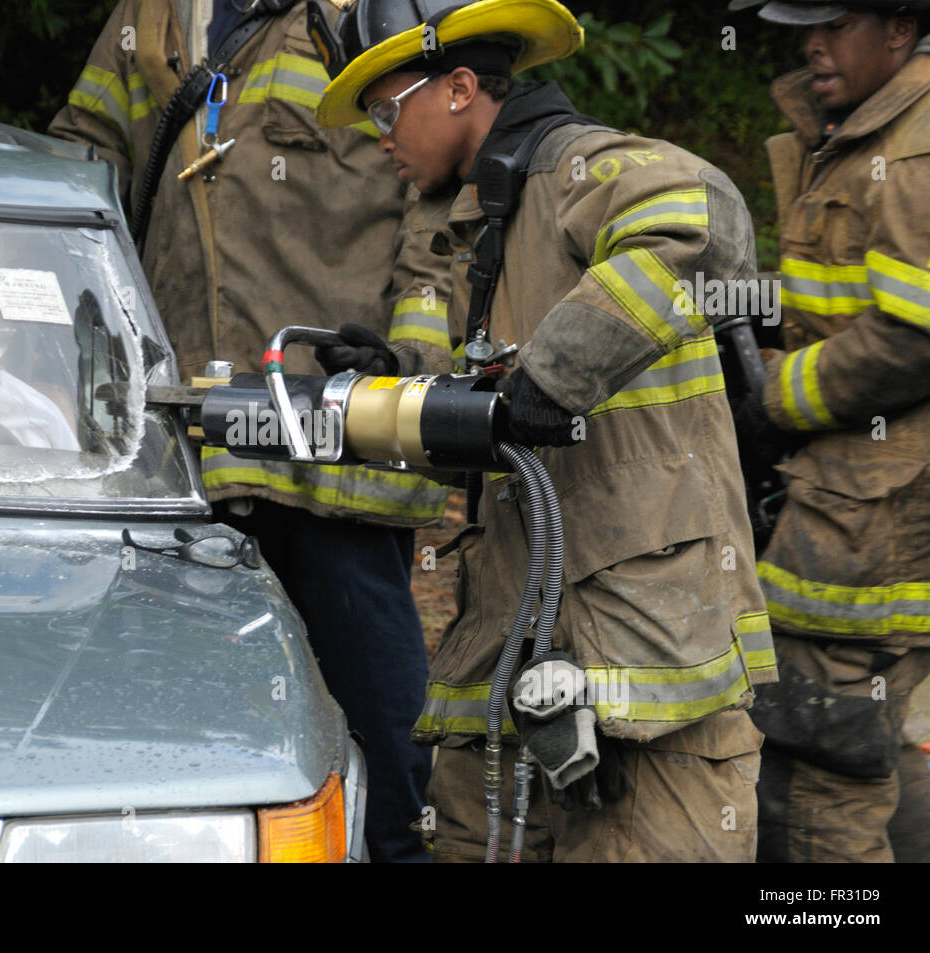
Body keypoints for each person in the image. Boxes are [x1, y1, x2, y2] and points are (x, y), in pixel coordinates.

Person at [317, 0, 778, 862]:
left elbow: (708, 222)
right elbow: (475, 368)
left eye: (386, 110)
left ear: (459, 88)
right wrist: (397, 372)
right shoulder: (476, 219)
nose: (378, 137)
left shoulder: (581, 168)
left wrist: (554, 378)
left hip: (645, 660)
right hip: (509, 650)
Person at [47, 0, 455, 861]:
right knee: (182, 731)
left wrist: (412, 355)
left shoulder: (383, 9)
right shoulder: (156, 15)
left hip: (333, 447)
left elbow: (445, 193)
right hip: (182, 455)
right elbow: (82, 164)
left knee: (380, 735)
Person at [727, 0, 930, 863]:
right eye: (800, 24)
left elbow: (914, 333)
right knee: (870, 743)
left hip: (870, 515)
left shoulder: (912, 148)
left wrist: (775, 397)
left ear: (899, 27)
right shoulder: (864, 130)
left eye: (835, 21)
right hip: (858, 496)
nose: (811, 42)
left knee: (821, 772)